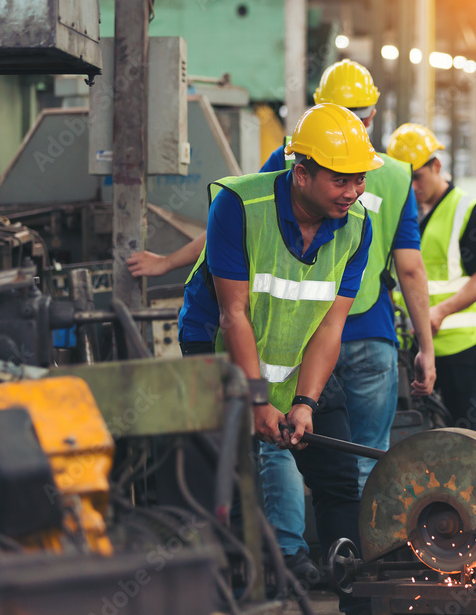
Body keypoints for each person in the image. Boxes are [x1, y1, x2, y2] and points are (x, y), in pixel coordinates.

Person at [178, 103, 379, 614]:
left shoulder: (357, 226)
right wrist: (257, 401)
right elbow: (233, 313)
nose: (352, 192)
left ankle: (349, 590)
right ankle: (248, 591)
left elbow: (332, 324)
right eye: (341, 181)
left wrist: (306, 402)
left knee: (337, 475)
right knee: (231, 476)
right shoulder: (239, 206)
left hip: (299, 353)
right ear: (302, 172)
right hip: (220, 348)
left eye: (358, 180)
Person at [255, 59, 436, 577]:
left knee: (280, 447)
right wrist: (425, 347)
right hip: (371, 335)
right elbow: (411, 268)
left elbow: (239, 232)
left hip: (299, 333)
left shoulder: (290, 159)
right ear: (373, 112)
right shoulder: (397, 173)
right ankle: (362, 561)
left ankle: (292, 559)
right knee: (367, 456)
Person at [387, 123, 476, 432]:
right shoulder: (402, 212)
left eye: (417, 178)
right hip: (410, 346)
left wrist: (439, 311)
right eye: (405, 181)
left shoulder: (467, 211)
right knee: (417, 434)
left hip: (457, 347)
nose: (412, 188)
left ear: (437, 166)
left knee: (464, 436)